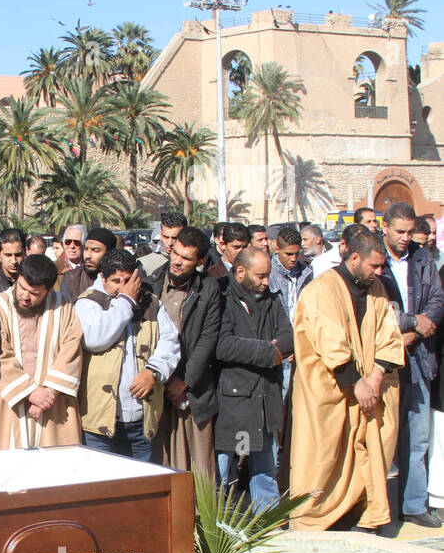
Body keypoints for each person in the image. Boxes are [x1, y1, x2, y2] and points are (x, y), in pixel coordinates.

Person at [288, 232, 403, 532]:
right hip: (330, 392)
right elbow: (331, 342)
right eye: (374, 266)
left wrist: (376, 376)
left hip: (368, 392)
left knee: (372, 453)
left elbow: (388, 335)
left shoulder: (377, 288)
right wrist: (357, 383)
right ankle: (312, 523)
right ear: (354, 258)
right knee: (322, 459)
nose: (379, 272)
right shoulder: (321, 291)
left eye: (382, 266)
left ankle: (361, 517)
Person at [75, 249, 181, 463]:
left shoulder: (151, 303)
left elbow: (169, 341)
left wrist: (154, 372)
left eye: (128, 280)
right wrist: (125, 300)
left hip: (141, 419)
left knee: (140, 486)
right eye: (116, 281)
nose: (122, 286)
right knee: (103, 487)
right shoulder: (88, 302)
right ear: (102, 278)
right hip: (99, 421)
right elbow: (95, 339)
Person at [378, 202, 444, 528]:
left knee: (417, 438)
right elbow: (381, 309)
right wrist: (412, 322)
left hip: (418, 358)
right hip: (385, 361)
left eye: (408, 232)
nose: (405, 238)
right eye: (399, 231)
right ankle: (377, 508)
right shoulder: (377, 261)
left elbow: (436, 300)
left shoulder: (422, 259)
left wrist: (418, 327)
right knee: (383, 438)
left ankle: (414, 504)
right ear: (385, 226)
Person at [215, 248, 292, 508]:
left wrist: (272, 348)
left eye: (268, 275)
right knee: (228, 470)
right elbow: (223, 344)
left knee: (265, 469)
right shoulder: (224, 299)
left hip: (265, 401)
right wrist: (268, 351)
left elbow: (288, 336)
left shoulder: (270, 300)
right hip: (238, 405)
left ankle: (266, 525)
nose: (266, 282)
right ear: (240, 272)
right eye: (260, 276)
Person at [0, 255, 83, 450]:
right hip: (12, 403)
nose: (25, 296)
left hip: (54, 404)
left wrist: (48, 393)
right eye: (22, 288)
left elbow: (71, 348)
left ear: (48, 291)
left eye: (34, 293)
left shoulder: (63, 305)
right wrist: (29, 392)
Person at [147, 227, 222, 475]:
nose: (178, 262)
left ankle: (201, 514)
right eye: (176, 254)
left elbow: (207, 339)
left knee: (199, 465)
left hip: (192, 389)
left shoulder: (208, 289)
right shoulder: (151, 281)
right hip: (155, 384)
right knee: (160, 460)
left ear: (200, 261)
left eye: (187, 258)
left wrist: (185, 381)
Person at [269, 227, 313, 323]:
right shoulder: (268, 274)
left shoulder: (306, 273)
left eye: (297, 254)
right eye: (288, 254)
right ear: (277, 248)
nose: (293, 258)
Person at [59, 228, 115, 303]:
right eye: (86, 249)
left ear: (108, 253)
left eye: (95, 250)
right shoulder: (71, 279)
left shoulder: (121, 278)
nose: (88, 255)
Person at [140, 212, 187, 276]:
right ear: (161, 235)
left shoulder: (196, 263)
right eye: (166, 237)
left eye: (174, 238)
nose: (169, 243)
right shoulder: (145, 265)